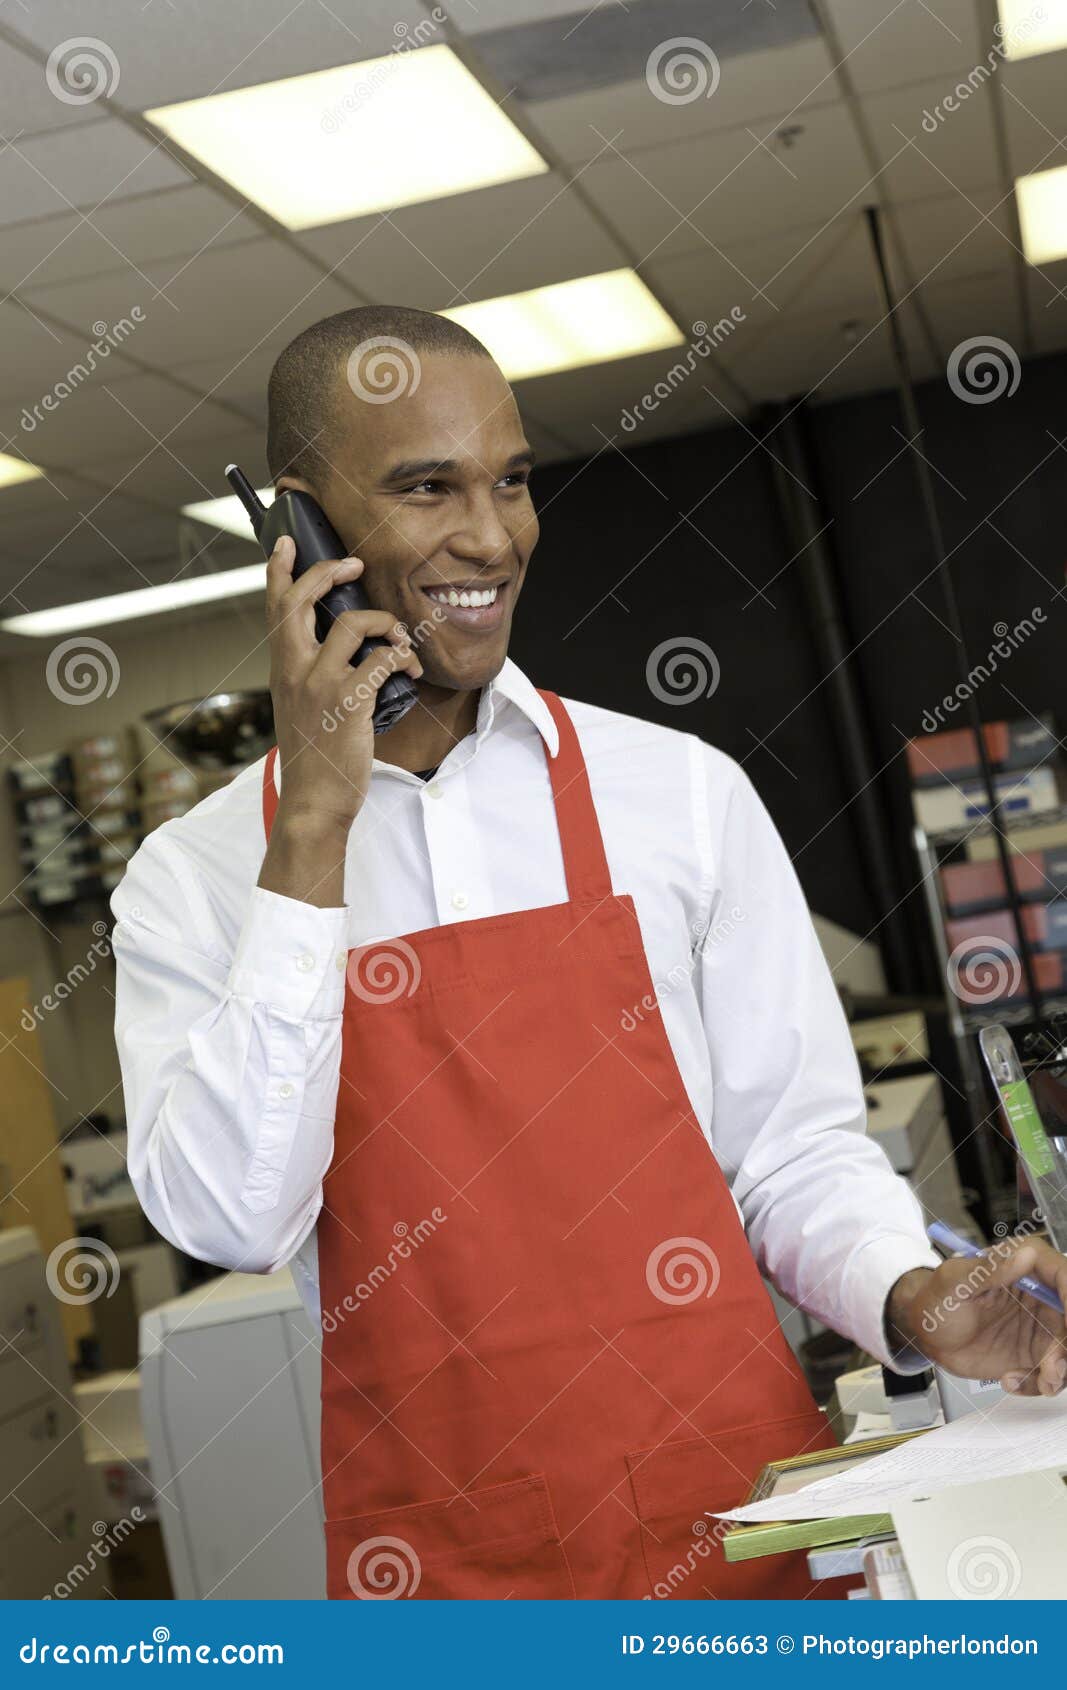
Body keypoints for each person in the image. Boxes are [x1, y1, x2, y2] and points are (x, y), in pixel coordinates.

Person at [113, 306, 1067, 1601]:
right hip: (447, 1570)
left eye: (511, 480)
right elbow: (234, 1216)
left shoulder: (677, 792)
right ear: (301, 528)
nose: (494, 536)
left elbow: (794, 1151)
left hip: (736, 1528)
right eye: (424, 488)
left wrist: (913, 1291)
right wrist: (316, 835)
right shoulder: (202, 879)